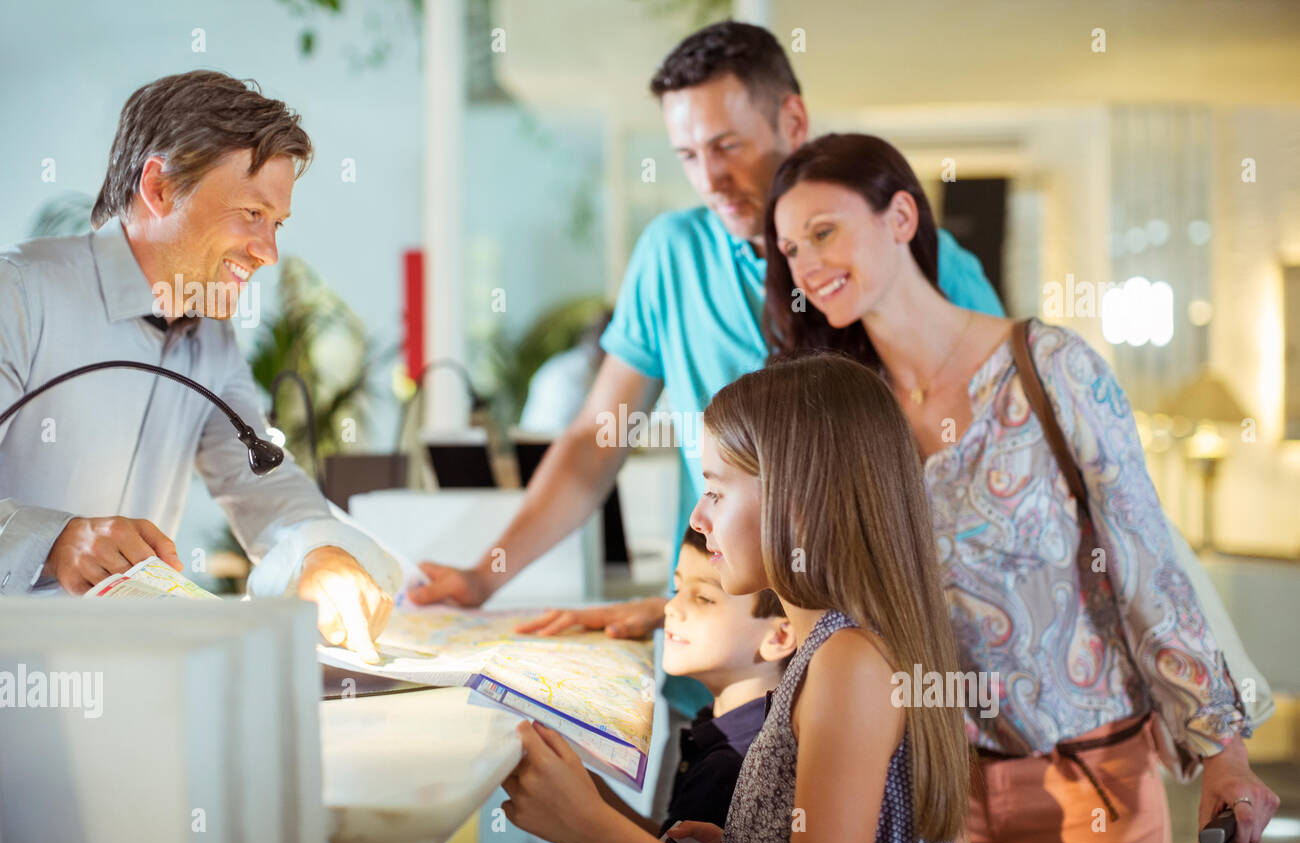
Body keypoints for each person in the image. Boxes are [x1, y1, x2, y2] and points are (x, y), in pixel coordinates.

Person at [410, 20, 1003, 719]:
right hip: (725, 669)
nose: (711, 179)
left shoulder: (909, 268)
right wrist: (486, 574)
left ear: (792, 119)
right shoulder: (672, 254)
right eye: (688, 154)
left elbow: (966, 484)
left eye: (728, 145)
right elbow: (596, 441)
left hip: (866, 661)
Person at [762, 131, 1280, 843]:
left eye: (823, 232)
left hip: (1091, 778)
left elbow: (1147, 566)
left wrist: (1223, 750)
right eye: (789, 251)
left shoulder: (1050, 368)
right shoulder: (848, 411)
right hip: (934, 786)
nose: (807, 265)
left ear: (901, 217)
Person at [502, 354, 971, 843]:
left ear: (799, 504)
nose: (699, 518)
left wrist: (586, 826)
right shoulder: (841, 652)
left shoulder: (849, 664)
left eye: (716, 492)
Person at [0, 71, 398, 660]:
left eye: (276, 223)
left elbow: (258, 473)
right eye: (251, 213)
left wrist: (320, 551)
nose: (269, 252)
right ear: (159, 187)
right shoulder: (20, 294)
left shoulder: (210, 332)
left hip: (131, 678)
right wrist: (52, 538)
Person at [553, 527, 793, 843]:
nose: (671, 608)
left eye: (703, 598)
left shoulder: (730, 768)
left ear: (779, 636)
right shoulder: (735, 728)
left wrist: (570, 823)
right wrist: (583, 791)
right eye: (676, 589)